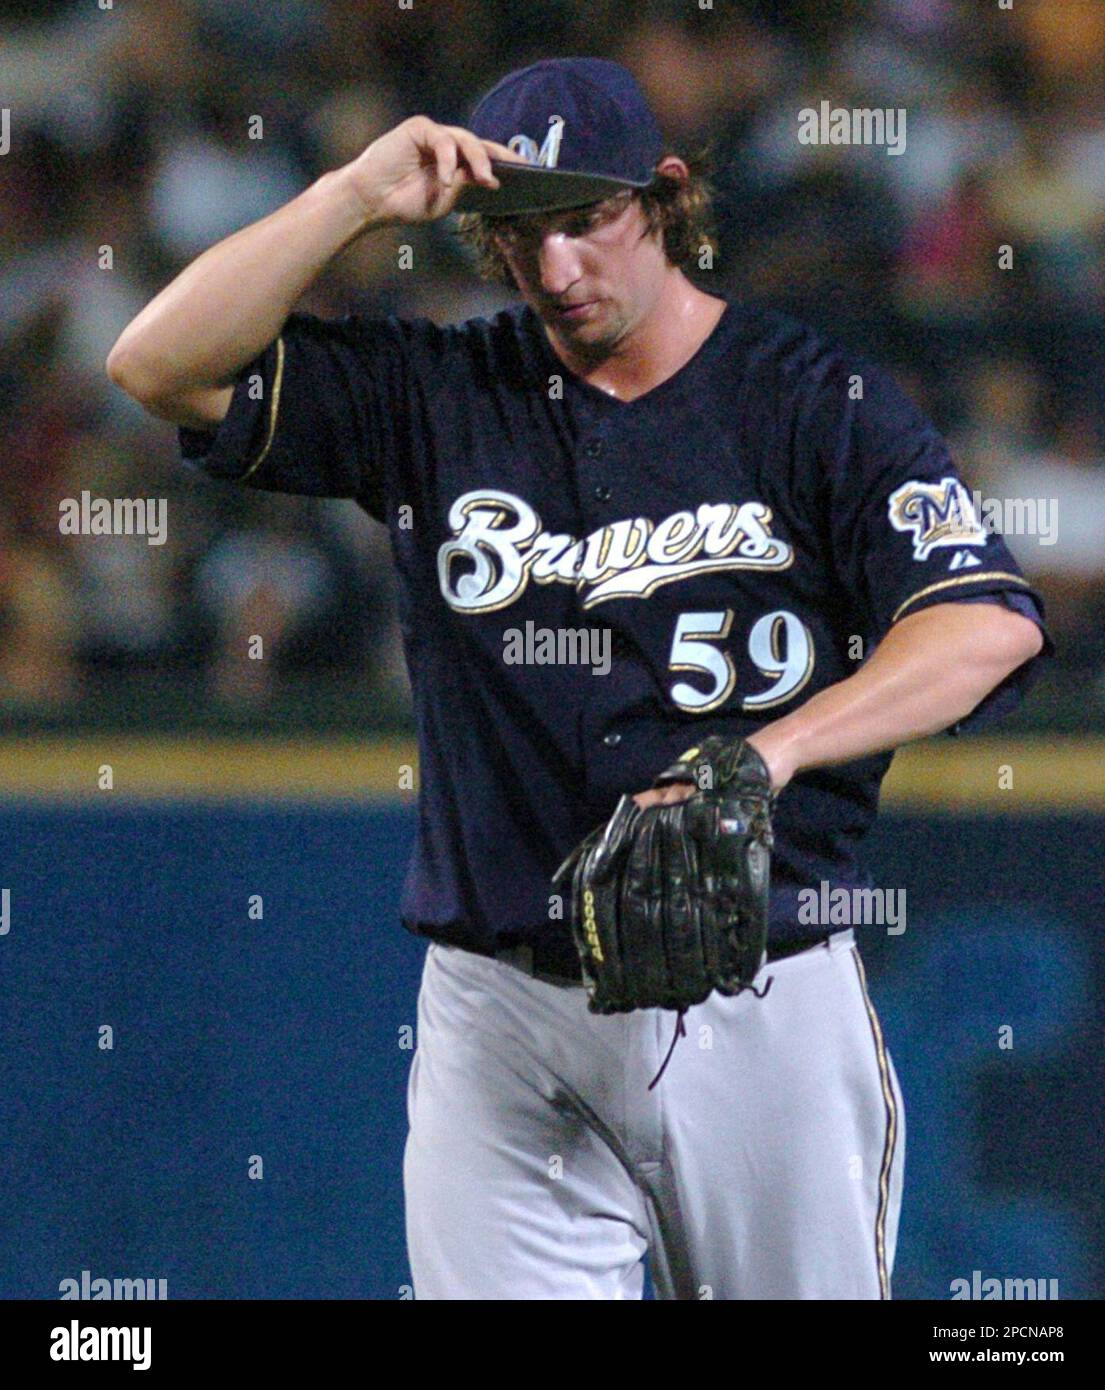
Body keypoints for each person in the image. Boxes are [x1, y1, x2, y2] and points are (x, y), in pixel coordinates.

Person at [107, 58, 1049, 1300]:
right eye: (519, 236)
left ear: (663, 198)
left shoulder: (813, 401)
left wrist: (768, 754)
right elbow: (155, 364)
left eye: (584, 222)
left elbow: (985, 623)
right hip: (501, 1008)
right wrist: (346, 197)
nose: (555, 271)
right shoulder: (439, 393)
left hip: (755, 987)